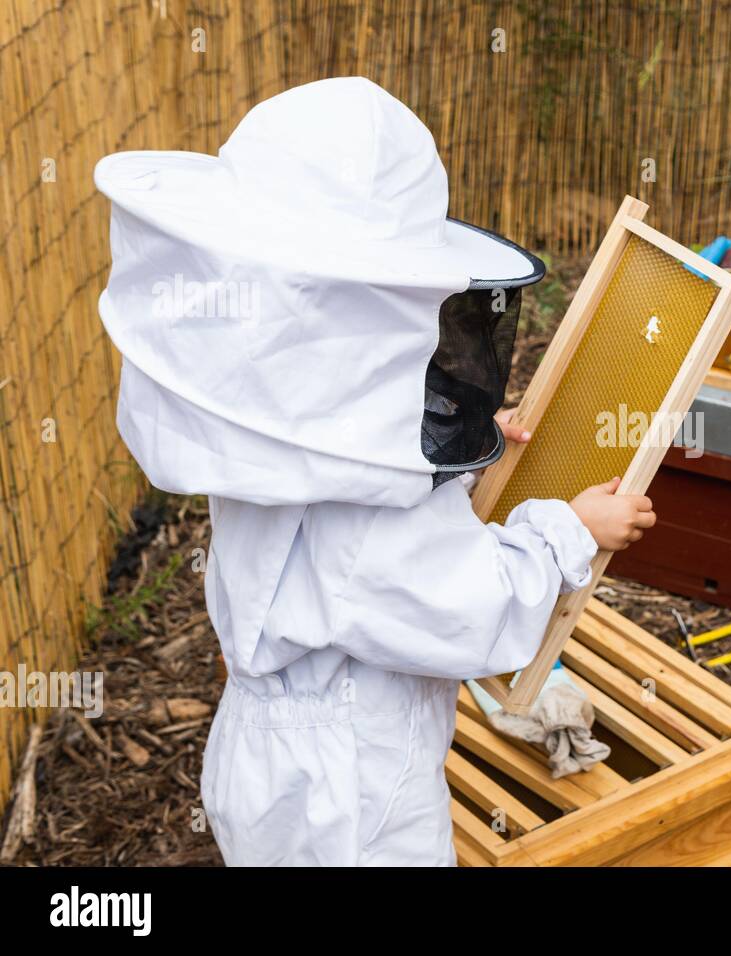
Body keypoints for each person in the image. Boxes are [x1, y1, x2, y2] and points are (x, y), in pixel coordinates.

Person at [94, 77, 655, 865]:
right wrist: (571, 531)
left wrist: (457, 445)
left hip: (269, 765)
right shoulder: (374, 523)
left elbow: (344, 412)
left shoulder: (268, 448)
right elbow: (476, 610)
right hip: (351, 799)